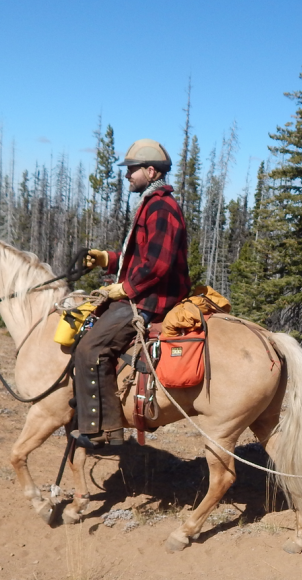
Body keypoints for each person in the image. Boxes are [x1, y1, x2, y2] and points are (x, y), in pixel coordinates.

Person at [73, 138, 191, 449]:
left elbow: (158, 265)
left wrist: (123, 288)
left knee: (90, 348)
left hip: (152, 299)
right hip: (143, 293)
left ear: (151, 172)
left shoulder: (162, 208)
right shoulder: (152, 204)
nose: (127, 176)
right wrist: (106, 258)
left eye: (132, 170)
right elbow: (139, 258)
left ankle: (107, 430)